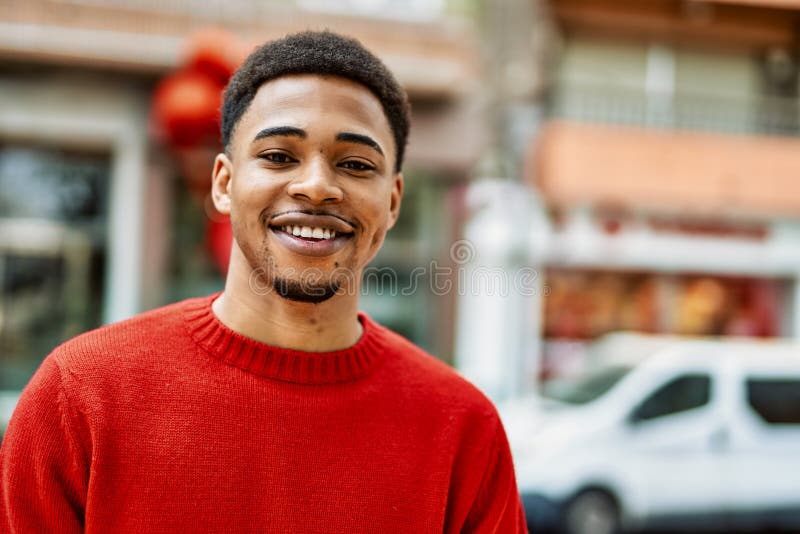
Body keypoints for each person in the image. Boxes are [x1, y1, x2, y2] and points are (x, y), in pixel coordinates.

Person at [0, 31, 527, 533]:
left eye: (355, 164)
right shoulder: (79, 397)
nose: (316, 186)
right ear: (224, 183)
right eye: (278, 156)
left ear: (392, 202)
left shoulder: (462, 429)